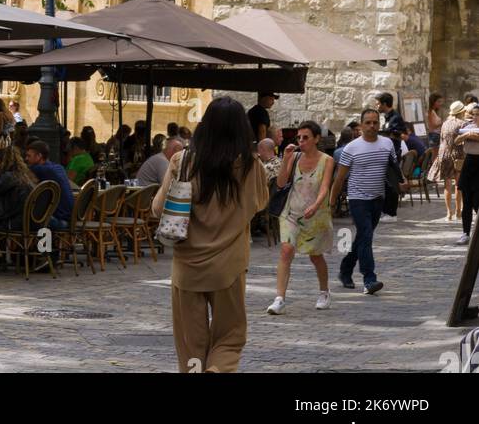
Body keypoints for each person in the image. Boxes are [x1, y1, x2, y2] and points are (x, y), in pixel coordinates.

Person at [153, 95, 269, 374]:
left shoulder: (183, 161)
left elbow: (158, 208)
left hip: (188, 267)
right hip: (229, 266)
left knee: (191, 344)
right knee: (230, 337)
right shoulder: (251, 166)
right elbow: (261, 203)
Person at [329, 107, 403, 295]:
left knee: (362, 238)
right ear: (361, 125)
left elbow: (392, 170)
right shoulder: (351, 148)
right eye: (368, 122)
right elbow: (339, 178)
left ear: (380, 124)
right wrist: (330, 203)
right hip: (357, 199)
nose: (372, 126)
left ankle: (345, 270)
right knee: (366, 236)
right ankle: (369, 279)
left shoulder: (387, 144)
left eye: (375, 122)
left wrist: (398, 186)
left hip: (378, 198)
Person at [267, 120, 334, 315]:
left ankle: (324, 291)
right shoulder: (294, 157)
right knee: (286, 250)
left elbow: (325, 186)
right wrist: (286, 159)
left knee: (315, 256)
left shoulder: (326, 160)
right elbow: (280, 184)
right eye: (299, 137)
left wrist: (315, 205)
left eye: (306, 137)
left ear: (316, 139)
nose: (301, 141)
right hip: (291, 212)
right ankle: (279, 298)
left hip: (316, 214)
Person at [0, 146, 38, 268]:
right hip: (33, 219)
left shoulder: (9, 177)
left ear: (1, 161)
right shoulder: (26, 175)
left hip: (17, 222)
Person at [429, 100, 466, 222]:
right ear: (461, 112)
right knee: (459, 184)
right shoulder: (463, 124)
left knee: (447, 184)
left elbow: (441, 139)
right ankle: (458, 211)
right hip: (458, 154)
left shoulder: (445, 123)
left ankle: (449, 213)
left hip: (444, 153)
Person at [25, 140, 74, 228]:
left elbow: (22, 171)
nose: (26, 159)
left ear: (39, 156)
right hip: (70, 218)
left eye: (29, 156)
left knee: (24, 216)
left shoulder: (39, 169)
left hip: (59, 221)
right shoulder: (59, 167)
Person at [454, 104, 479, 244]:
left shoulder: (471, 130)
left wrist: (472, 136)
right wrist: (466, 135)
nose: (475, 117)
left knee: (477, 200)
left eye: (478, 114)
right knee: (467, 201)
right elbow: (456, 140)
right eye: (473, 114)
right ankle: (465, 232)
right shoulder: (468, 127)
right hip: (469, 162)